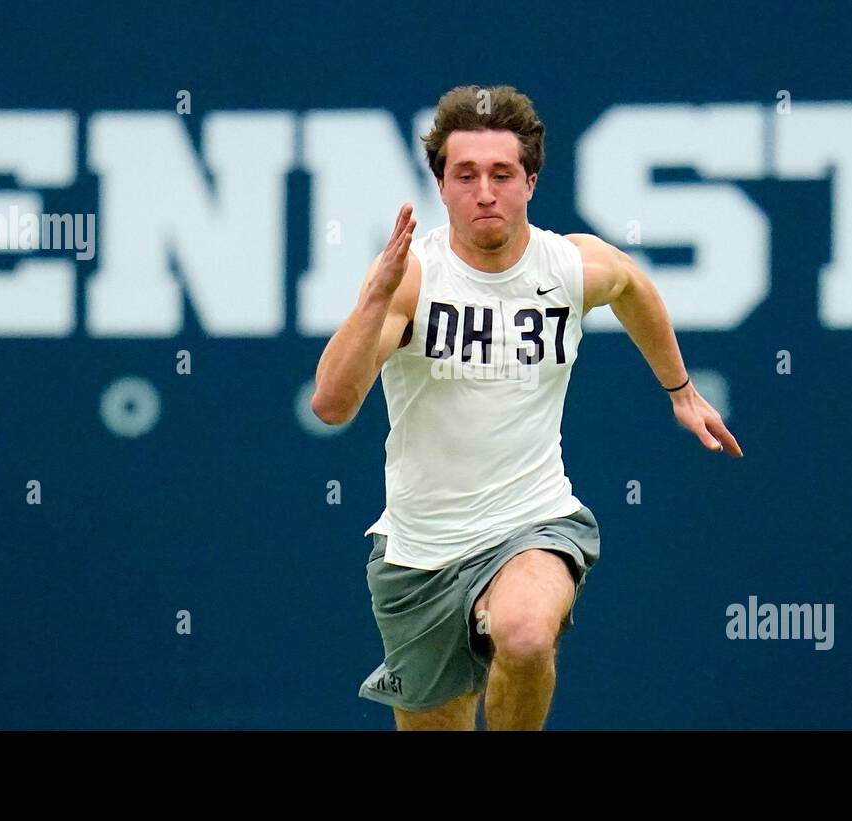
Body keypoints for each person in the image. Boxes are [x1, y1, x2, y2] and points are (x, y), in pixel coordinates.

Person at [311, 85, 742, 730]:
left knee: (525, 632)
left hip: (533, 519)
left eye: (502, 174)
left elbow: (632, 285)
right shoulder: (413, 278)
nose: (485, 191)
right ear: (442, 185)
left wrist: (679, 390)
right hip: (419, 554)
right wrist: (373, 299)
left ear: (530, 182)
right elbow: (332, 405)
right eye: (466, 174)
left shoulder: (570, 266)